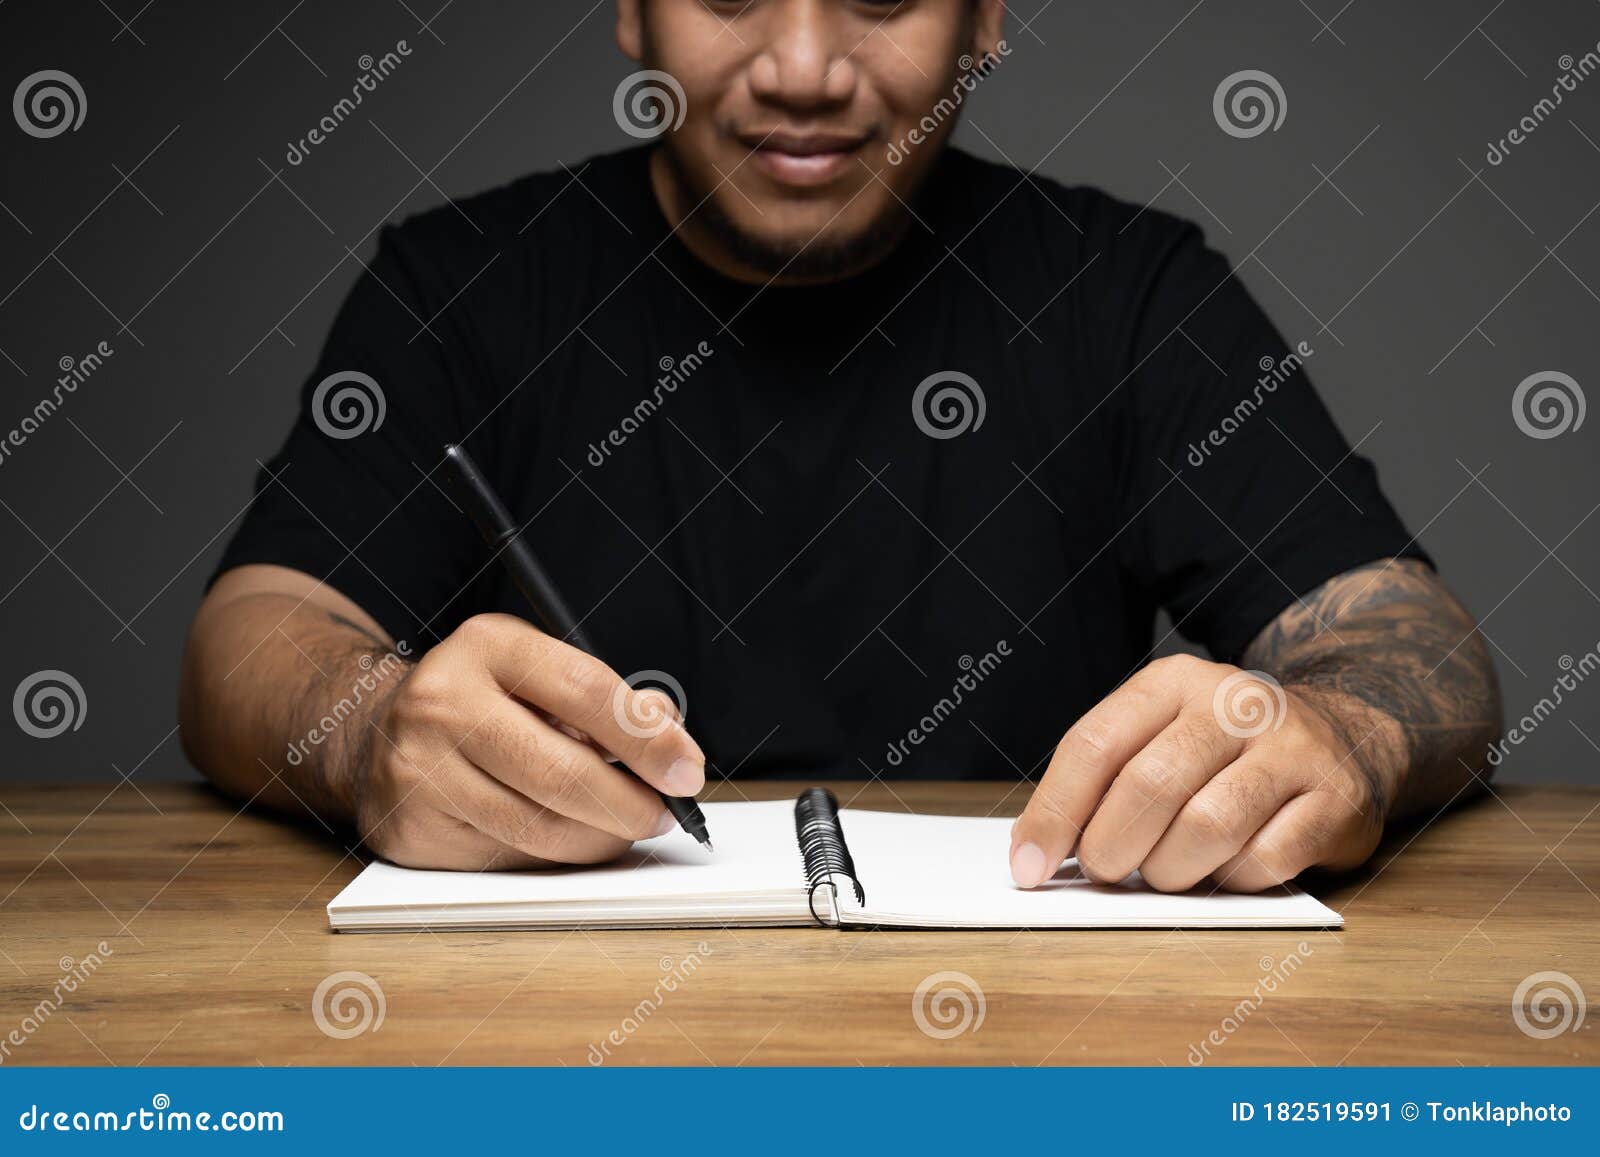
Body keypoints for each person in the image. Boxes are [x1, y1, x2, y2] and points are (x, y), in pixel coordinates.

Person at [178, 0, 1501, 893]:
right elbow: (255, 627)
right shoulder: (464, 283)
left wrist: (1334, 730)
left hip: (1034, 1053)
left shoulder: (1129, 291)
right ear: (633, 7)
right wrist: (365, 734)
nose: (802, 68)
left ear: (986, 18)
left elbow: (1413, 643)